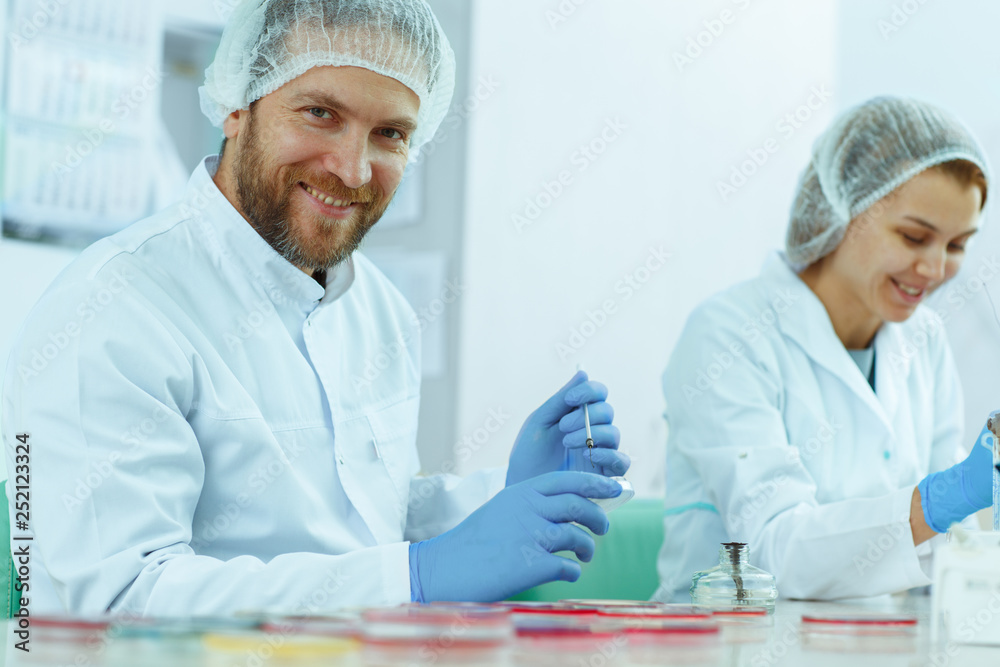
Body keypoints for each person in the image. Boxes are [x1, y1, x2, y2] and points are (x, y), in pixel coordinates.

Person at [1, 0, 629, 616]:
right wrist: (417, 575)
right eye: (320, 112)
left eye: (391, 134)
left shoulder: (378, 308)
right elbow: (123, 600)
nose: (353, 170)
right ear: (237, 107)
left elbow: (362, 524)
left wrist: (505, 498)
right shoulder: (113, 307)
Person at [654, 96, 994, 602]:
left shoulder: (924, 340)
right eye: (914, 236)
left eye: (958, 244)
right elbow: (773, 552)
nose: (936, 268)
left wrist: (971, 524)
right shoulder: (728, 335)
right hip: (728, 642)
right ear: (842, 210)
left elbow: (949, 555)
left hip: (879, 645)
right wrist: (946, 498)